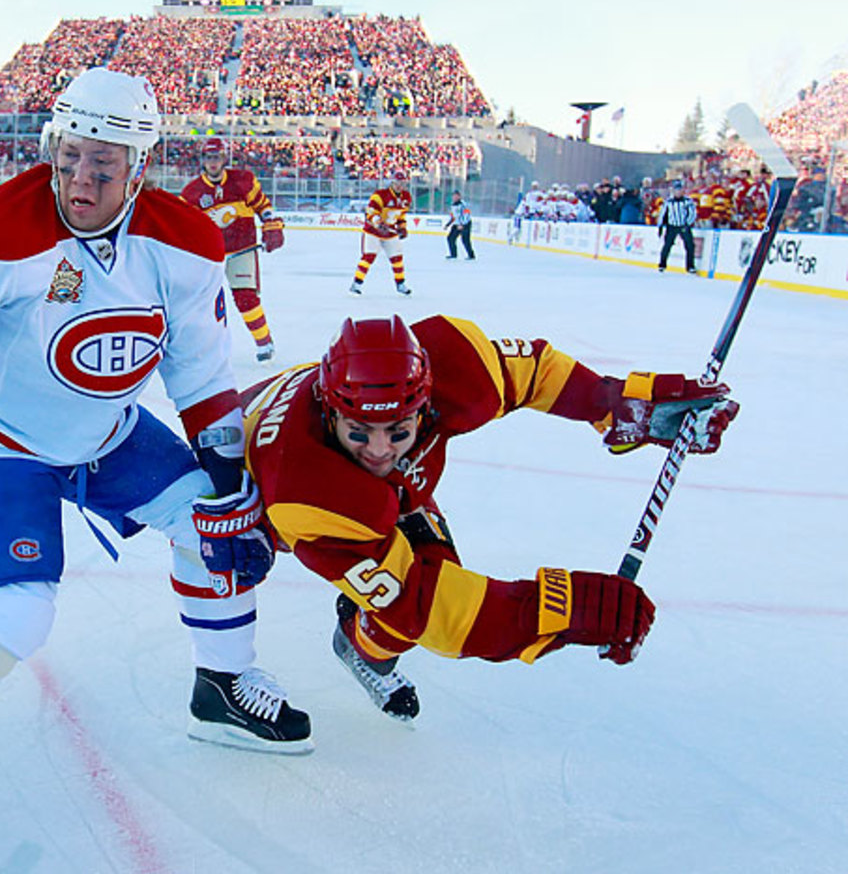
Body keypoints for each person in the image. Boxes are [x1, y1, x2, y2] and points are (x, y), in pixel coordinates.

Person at [0, 67, 310, 874]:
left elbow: (203, 375)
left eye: (102, 164)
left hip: (108, 434)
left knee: (216, 521)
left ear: (139, 165)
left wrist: (230, 476)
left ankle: (221, 683)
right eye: (67, 156)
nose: (79, 179)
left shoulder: (184, 240)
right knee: (13, 614)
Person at [242, 314, 737, 721]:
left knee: (433, 558)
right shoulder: (308, 491)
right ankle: (359, 647)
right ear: (330, 412)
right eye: (359, 431)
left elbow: (534, 372)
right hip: (258, 503)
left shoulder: (454, 365)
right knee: (402, 608)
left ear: (425, 402)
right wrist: (560, 609)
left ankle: (363, 636)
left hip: (347, 488)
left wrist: (618, 403)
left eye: (399, 431)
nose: (379, 452)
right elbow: (425, 607)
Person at [180, 136, 285, 361]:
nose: (213, 163)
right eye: (209, 158)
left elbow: (263, 206)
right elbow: (183, 225)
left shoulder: (242, 181)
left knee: (246, 297)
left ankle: (264, 342)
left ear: (224, 159)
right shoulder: (191, 192)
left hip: (242, 248)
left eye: (217, 157)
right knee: (202, 301)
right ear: (203, 161)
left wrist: (271, 224)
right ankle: (205, 348)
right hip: (209, 253)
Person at [350, 169, 412, 296]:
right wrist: (378, 223)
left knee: (397, 259)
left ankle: (400, 284)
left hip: (390, 232)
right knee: (369, 257)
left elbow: (401, 216)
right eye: (397, 183)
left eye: (402, 183)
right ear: (392, 183)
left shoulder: (406, 197)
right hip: (373, 231)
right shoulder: (380, 195)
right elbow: (371, 212)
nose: (399, 186)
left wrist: (402, 227)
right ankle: (357, 283)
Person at [657, 180, 698, 273]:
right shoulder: (668, 202)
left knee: (690, 246)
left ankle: (690, 266)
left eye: (680, 190)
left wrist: (687, 224)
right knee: (667, 245)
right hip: (671, 226)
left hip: (684, 225)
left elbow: (692, 213)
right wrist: (660, 226)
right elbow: (663, 213)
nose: (678, 192)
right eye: (676, 190)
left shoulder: (688, 201)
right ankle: (662, 264)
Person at [444, 189, 475, 260]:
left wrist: (462, 225)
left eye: (456, 196)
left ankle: (471, 255)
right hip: (456, 224)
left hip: (465, 224)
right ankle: (453, 254)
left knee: (465, 240)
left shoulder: (463, 205)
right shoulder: (453, 205)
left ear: (459, 197)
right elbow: (453, 216)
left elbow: (466, 215)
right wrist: (448, 224)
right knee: (450, 238)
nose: (454, 197)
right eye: (453, 196)